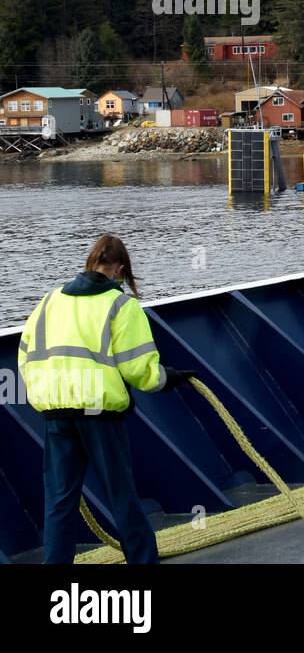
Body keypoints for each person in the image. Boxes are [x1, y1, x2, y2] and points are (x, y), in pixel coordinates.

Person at [18, 235, 194, 564]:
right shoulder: (120, 306)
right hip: (98, 414)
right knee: (121, 498)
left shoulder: (49, 301)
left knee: (59, 503)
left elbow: (27, 358)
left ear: (90, 263)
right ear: (120, 270)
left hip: (56, 413)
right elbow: (139, 370)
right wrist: (168, 378)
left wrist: (48, 393)